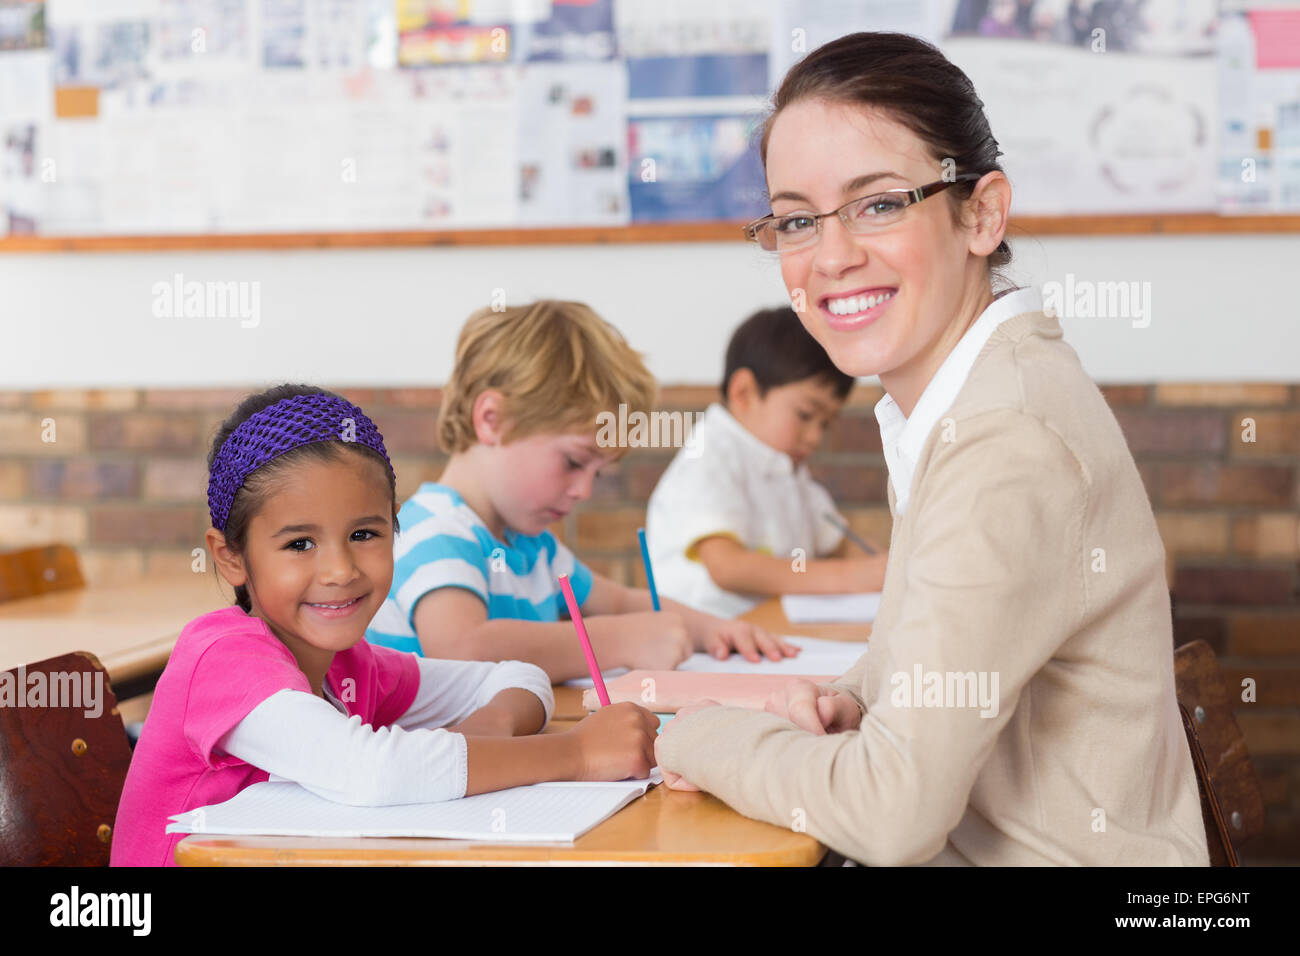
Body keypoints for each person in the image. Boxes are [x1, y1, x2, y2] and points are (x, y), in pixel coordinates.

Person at [654, 32, 1209, 866]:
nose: (831, 257)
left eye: (878, 203)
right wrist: (848, 701)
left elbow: (892, 818)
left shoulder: (1003, 440)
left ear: (980, 213)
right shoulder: (971, 397)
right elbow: (921, 659)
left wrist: (696, 736)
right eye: (798, 219)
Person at [111, 385, 657, 867]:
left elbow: (517, 676)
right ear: (230, 557)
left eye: (365, 534)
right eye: (299, 544)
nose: (340, 570)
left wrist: (490, 727)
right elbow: (372, 771)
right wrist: (577, 754)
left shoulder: (355, 667)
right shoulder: (222, 659)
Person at [365, 301, 796, 683]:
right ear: (492, 420)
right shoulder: (431, 532)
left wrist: (712, 629)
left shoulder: (534, 547)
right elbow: (464, 649)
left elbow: (621, 601)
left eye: (598, 472)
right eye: (574, 462)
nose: (584, 491)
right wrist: (619, 640)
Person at [646, 305, 887, 618]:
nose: (815, 437)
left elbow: (839, 544)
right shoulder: (708, 457)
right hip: (706, 640)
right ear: (744, 393)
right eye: (805, 415)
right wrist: (852, 577)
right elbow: (728, 568)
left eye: (825, 423)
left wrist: (887, 568)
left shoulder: (787, 469)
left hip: (766, 629)